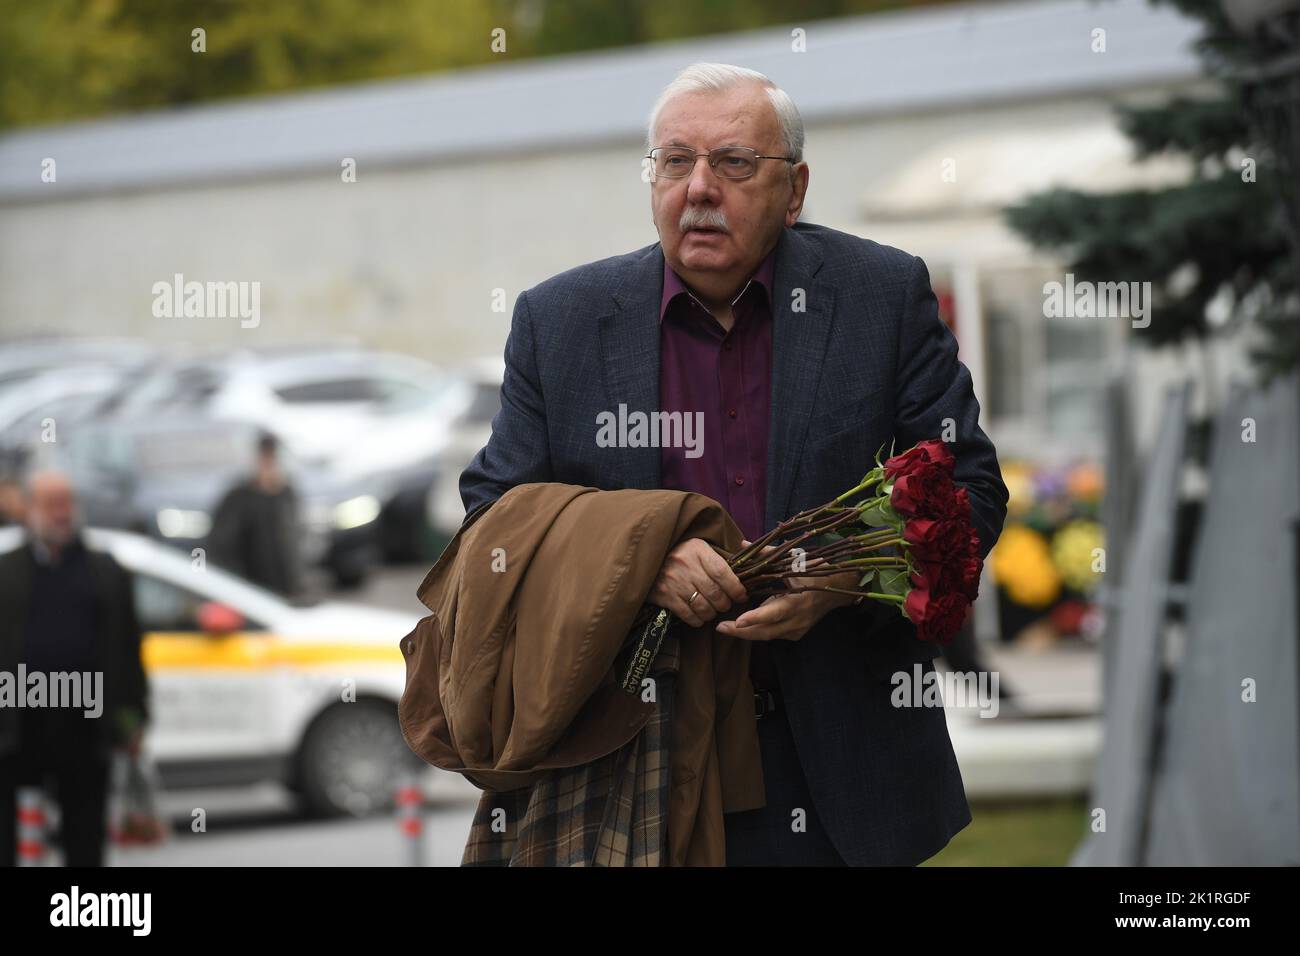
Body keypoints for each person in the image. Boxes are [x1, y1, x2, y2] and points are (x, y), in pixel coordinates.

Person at [459, 62, 1009, 866]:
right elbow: (492, 517)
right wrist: (635, 560)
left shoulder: (879, 296)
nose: (700, 188)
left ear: (795, 189)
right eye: (674, 162)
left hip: (839, 770)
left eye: (735, 163)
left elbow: (971, 491)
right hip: (633, 759)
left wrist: (837, 580)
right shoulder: (561, 321)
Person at [0, 470, 150, 866]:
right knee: (14, 841)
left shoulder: (105, 571)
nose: (61, 514)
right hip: (19, 731)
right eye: (51, 504)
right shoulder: (7, 571)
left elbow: (128, 651)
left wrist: (133, 719)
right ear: (28, 510)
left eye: (66, 503)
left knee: (84, 840)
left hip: (85, 730)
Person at [207, 432, 303, 597]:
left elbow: (293, 542)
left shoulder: (286, 495)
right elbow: (221, 544)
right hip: (251, 588)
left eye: (272, 459)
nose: (269, 465)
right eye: (264, 459)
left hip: (285, 588)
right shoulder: (238, 497)